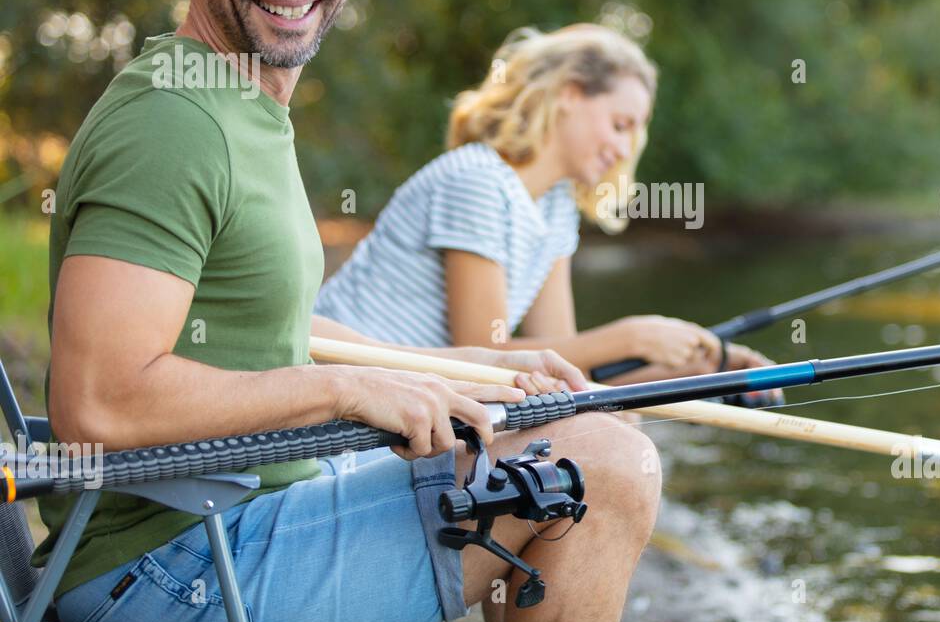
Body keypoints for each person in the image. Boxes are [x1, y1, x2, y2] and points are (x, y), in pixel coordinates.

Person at [34, 0, 659, 622]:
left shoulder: (238, 104)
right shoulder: (172, 123)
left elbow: (267, 339)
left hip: (238, 520)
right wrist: (346, 391)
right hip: (173, 565)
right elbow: (99, 404)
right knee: (608, 466)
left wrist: (464, 368)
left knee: (567, 428)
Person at [314, 23, 774, 383]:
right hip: (339, 385)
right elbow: (483, 357)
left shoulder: (555, 207)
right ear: (570, 95)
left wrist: (704, 371)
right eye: (620, 124)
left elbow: (566, 364)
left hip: (420, 391)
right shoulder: (478, 182)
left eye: (637, 131)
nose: (627, 147)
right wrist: (633, 335)